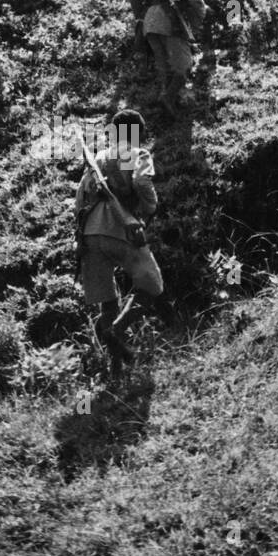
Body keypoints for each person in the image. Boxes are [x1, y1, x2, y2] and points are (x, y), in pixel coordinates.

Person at [74, 109, 177, 376]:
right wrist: (149, 207)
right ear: (137, 132)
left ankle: (116, 368)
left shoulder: (97, 159)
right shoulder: (138, 154)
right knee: (153, 284)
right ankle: (117, 329)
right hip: (121, 229)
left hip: (89, 235)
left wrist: (82, 235)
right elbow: (141, 180)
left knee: (107, 301)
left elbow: (81, 197)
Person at [129, 0, 207, 116]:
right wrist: (199, 19)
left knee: (163, 63)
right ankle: (169, 97)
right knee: (185, 65)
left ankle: (166, 99)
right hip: (172, 22)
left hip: (150, 25)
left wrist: (140, 18)